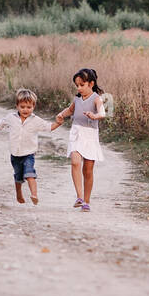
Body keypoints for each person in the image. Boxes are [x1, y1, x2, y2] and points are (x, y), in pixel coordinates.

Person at [0, 89, 64, 205]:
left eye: (29, 107)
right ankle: (19, 193)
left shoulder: (36, 120)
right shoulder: (11, 117)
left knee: (30, 173)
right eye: (22, 107)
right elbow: (0, 123)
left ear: (33, 107)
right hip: (15, 154)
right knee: (18, 177)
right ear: (17, 106)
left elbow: (48, 127)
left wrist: (58, 123)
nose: (25, 110)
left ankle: (34, 195)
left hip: (29, 154)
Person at [55, 67, 106, 212]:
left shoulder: (97, 98)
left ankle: (87, 201)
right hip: (76, 133)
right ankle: (79, 197)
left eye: (81, 85)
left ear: (91, 83)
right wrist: (61, 115)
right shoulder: (77, 99)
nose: (79, 88)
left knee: (88, 171)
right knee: (75, 162)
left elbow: (102, 112)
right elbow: (70, 110)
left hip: (90, 136)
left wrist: (95, 116)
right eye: (77, 85)